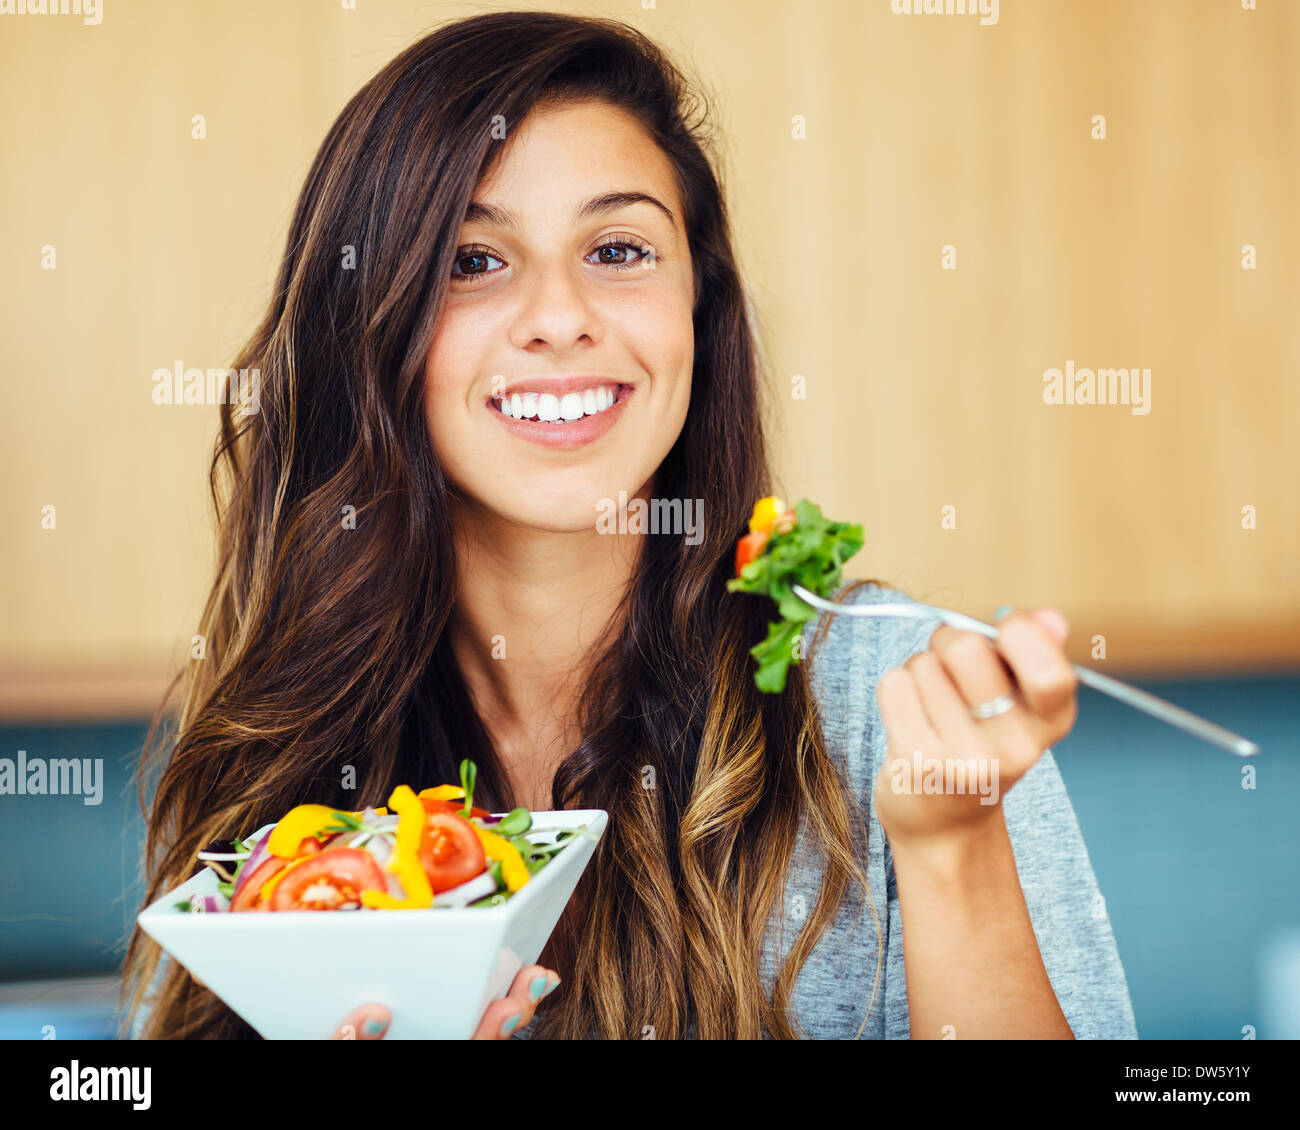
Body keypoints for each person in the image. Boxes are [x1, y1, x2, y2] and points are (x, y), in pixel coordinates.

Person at [123, 10, 1137, 1041]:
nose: (560, 315)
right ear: (368, 327)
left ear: (700, 303)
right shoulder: (290, 746)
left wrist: (953, 848)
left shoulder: (898, 705)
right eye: (474, 260)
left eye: (617, 248)